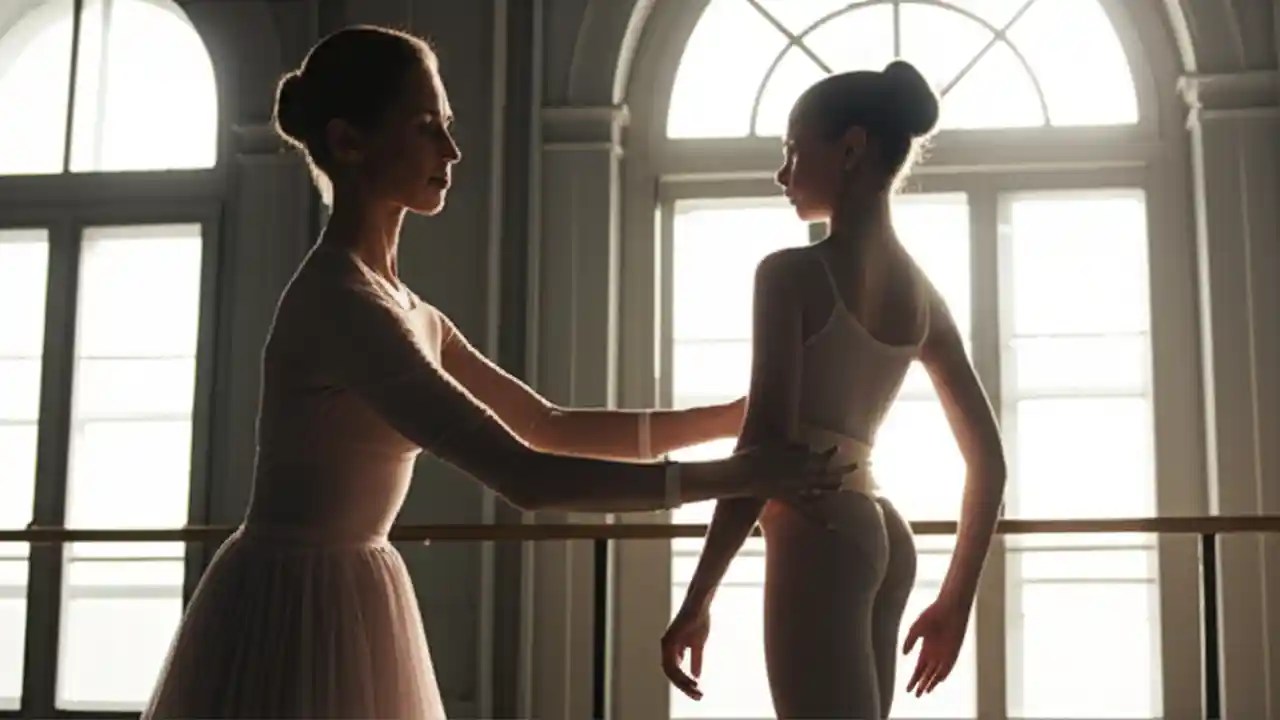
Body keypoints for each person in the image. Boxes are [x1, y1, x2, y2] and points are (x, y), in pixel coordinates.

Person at [141, 25, 850, 720]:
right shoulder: (343, 306)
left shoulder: (404, 306)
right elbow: (526, 478)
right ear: (348, 142)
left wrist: (736, 416)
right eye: (426, 126)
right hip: (295, 605)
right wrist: (741, 476)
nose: (452, 149)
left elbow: (548, 425)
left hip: (353, 587)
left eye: (446, 124)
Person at [660, 60, 1008, 719]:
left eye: (793, 151)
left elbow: (762, 445)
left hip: (818, 529)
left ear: (850, 149)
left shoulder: (788, 276)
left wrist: (697, 599)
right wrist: (954, 603)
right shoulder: (924, 295)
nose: (782, 175)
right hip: (882, 528)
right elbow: (989, 461)